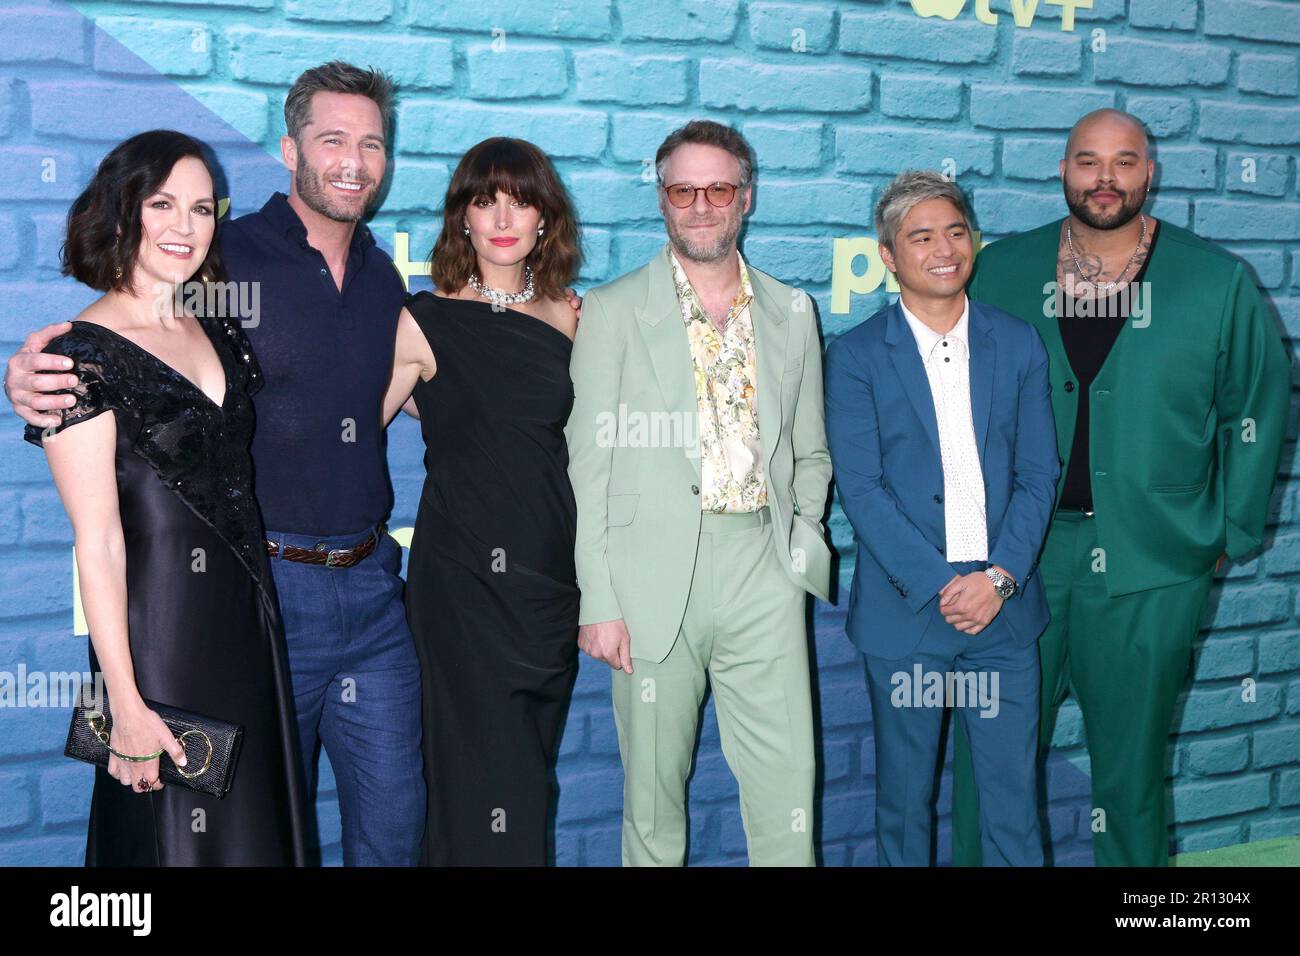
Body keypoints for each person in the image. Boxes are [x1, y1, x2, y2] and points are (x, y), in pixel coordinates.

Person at [7, 62, 425, 866]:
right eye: (331, 138)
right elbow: (112, 348)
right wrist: (30, 377)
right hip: (244, 594)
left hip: (357, 596)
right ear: (289, 147)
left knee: (373, 828)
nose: (353, 159)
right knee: (195, 833)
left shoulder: (380, 274)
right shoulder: (226, 259)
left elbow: (441, 367)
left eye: (371, 143)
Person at [950, 108, 1291, 867]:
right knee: (990, 763)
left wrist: (1224, 536)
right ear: (1063, 170)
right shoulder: (1000, 270)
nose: (1105, 178)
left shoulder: (1215, 281)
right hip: (1015, 562)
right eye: (1087, 160)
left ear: (1150, 172)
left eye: (1125, 161)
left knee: (1130, 778)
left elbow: (1258, 409)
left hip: (1152, 567)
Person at [23, 130, 306, 865]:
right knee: (169, 833)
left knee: (251, 831)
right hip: (158, 637)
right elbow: (99, 541)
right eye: (162, 204)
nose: (185, 226)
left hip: (246, 620)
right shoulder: (74, 355)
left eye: (203, 208)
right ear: (122, 211)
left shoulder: (215, 325)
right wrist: (122, 697)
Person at [565, 120, 833, 866]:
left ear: (746, 198)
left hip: (762, 570)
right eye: (685, 189)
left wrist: (799, 537)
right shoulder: (613, 311)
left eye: (719, 188)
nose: (702, 205)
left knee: (789, 794)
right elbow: (587, 466)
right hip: (648, 581)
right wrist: (600, 600)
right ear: (662, 199)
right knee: (652, 802)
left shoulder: (793, 311)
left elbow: (811, 449)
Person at [825, 171, 1058, 866]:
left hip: (1004, 613)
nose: (944, 249)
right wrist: (941, 584)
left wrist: (1000, 578)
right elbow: (861, 491)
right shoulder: (857, 356)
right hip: (910, 615)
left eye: (956, 232)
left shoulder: (1016, 343)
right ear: (890, 257)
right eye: (921, 236)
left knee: (1013, 804)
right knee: (904, 806)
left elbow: (1037, 474)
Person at [383, 137, 582, 866]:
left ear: (544, 219)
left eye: (521, 198)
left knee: (527, 778)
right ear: (461, 216)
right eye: (484, 198)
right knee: (472, 778)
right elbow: (337, 430)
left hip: (548, 587)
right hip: (462, 586)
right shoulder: (425, 319)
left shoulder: (573, 318)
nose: (503, 215)